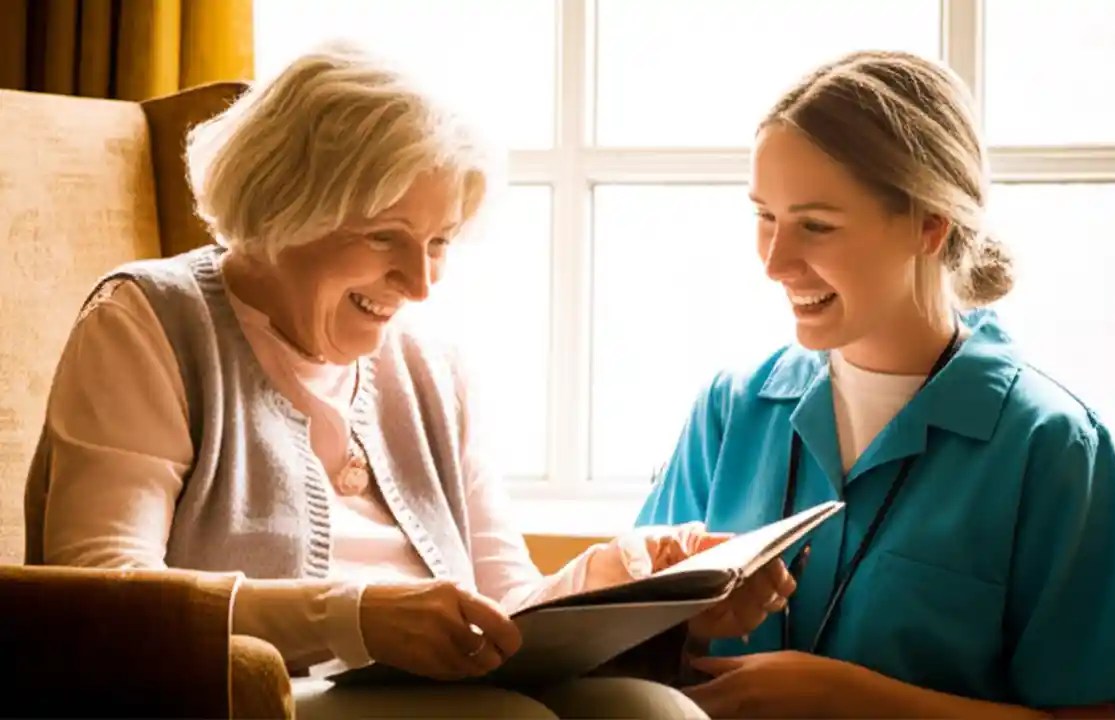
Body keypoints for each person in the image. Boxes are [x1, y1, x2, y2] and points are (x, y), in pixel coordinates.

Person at [24, 41, 792, 719]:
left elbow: (505, 606)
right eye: (386, 238)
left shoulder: (429, 362)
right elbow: (107, 589)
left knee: (650, 711)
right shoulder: (148, 319)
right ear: (283, 206)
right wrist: (355, 618)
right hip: (238, 697)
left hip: (434, 697)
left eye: (439, 242)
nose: (420, 283)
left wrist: (642, 581)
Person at [637, 50, 1115, 719]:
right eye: (765, 216)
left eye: (816, 225)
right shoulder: (729, 411)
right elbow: (624, 650)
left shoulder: (1053, 446)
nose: (775, 262)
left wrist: (841, 698)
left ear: (930, 224)